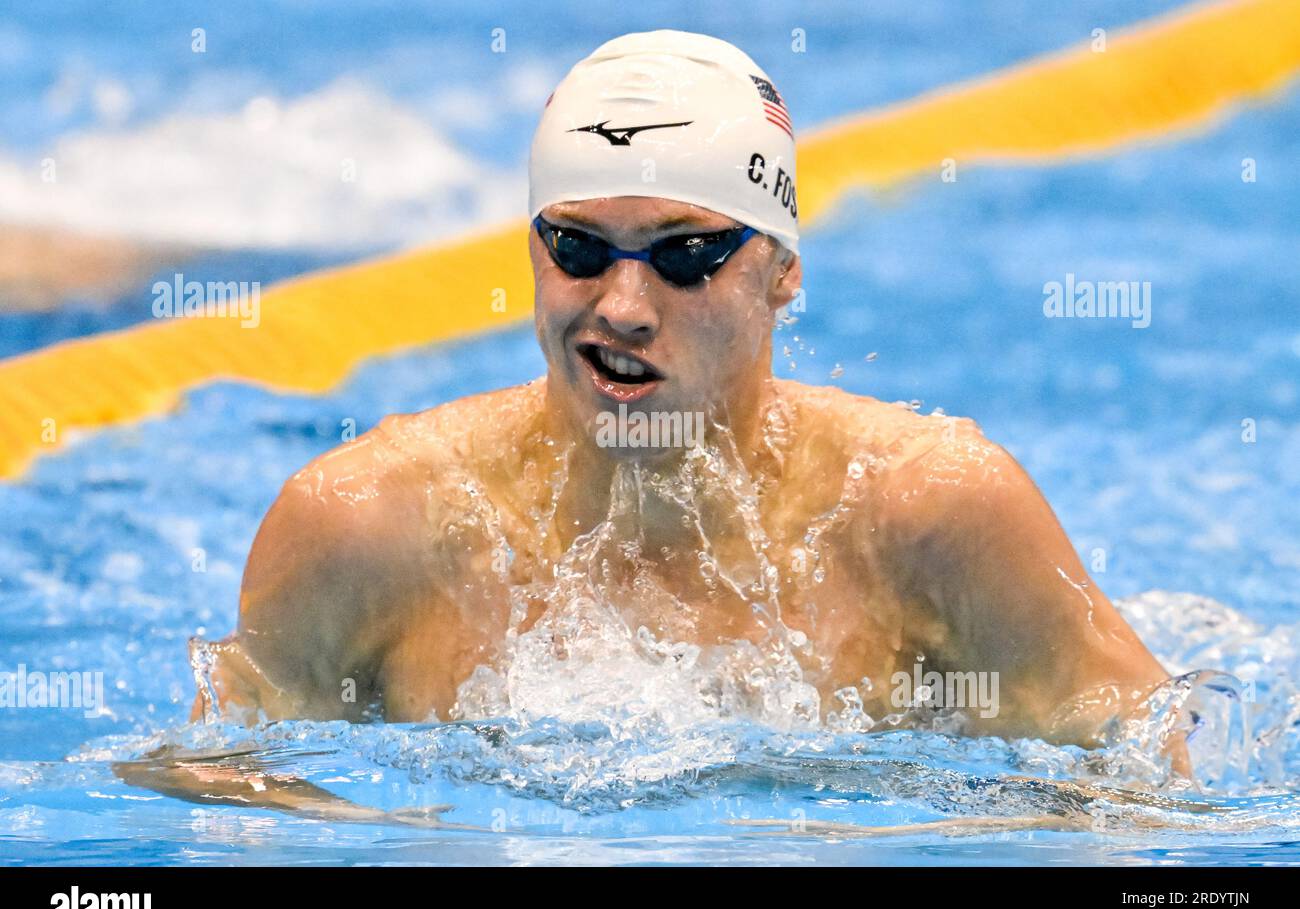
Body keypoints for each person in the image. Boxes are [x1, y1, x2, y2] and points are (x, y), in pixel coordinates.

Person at [183, 29, 1179, 763]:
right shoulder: (365, 525)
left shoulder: (928, 511)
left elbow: (1149, 781)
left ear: (780, 268)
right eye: (576, 248)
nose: (621, 305)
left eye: (685, 255)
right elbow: (217, 791)